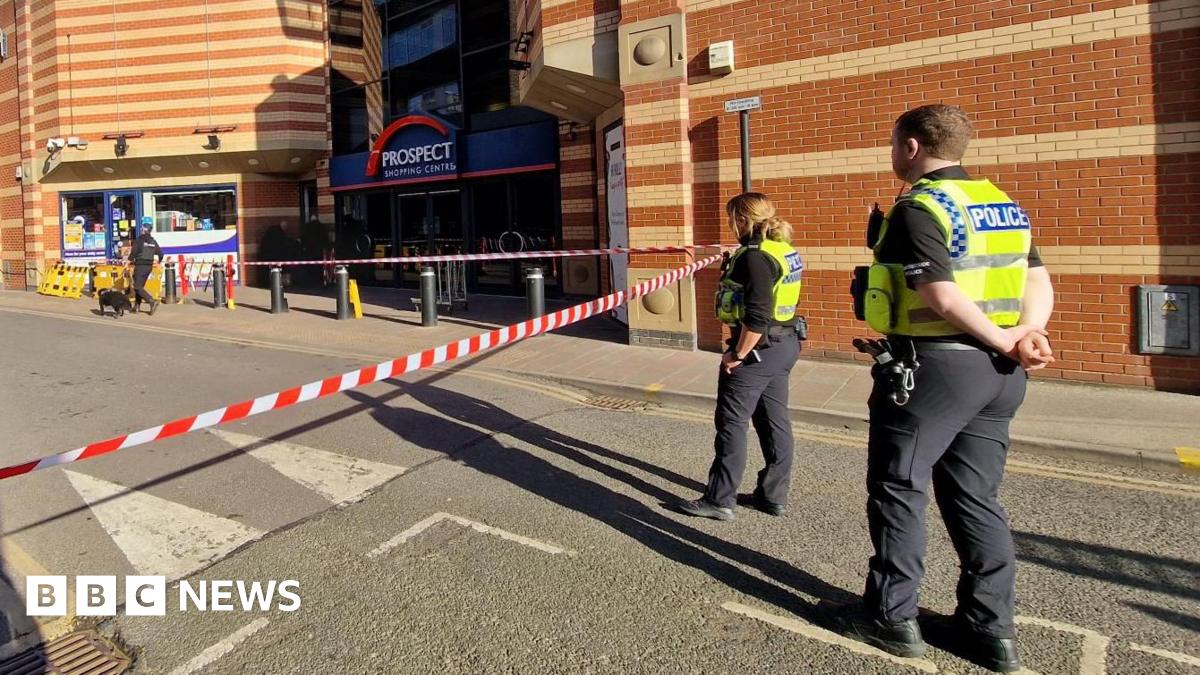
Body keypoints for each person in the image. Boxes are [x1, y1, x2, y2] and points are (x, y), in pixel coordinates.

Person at [824, 104, 1055, 673]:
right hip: (1000, 378)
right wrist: (1025, 335)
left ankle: (891, 615)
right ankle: (989, 629)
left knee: (899, 486)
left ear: (911, 147)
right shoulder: (1002, 204)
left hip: (935, 369)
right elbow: (1039, 279)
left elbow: (942, 297)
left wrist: (1004, 340)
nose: (892, 153)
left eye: (892, 143)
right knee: (976, 498)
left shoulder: (919, 207)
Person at [673, 193, 805, 521]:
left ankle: (719, 499)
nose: (730, 225)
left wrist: (738, 354)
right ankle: (772, 495)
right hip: (784, 344)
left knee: (731, 424)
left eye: (731, 219)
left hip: (757, 349)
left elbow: (758, 314)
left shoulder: (755, 257)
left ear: (741, 220)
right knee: (773, 422)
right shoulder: (784, 250)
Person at [128, 216, 164, 315]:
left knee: (137, 286)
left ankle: (152, 301)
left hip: (140, 266)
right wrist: (158, 262)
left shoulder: (139, 240)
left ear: (144, 229)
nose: (140, 229)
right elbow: (161, 254)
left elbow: (133, 252)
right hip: (148, 267)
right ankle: (137, 307)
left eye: (142, 227)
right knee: (140, 286)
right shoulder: (153, 241)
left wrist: (128, 261)